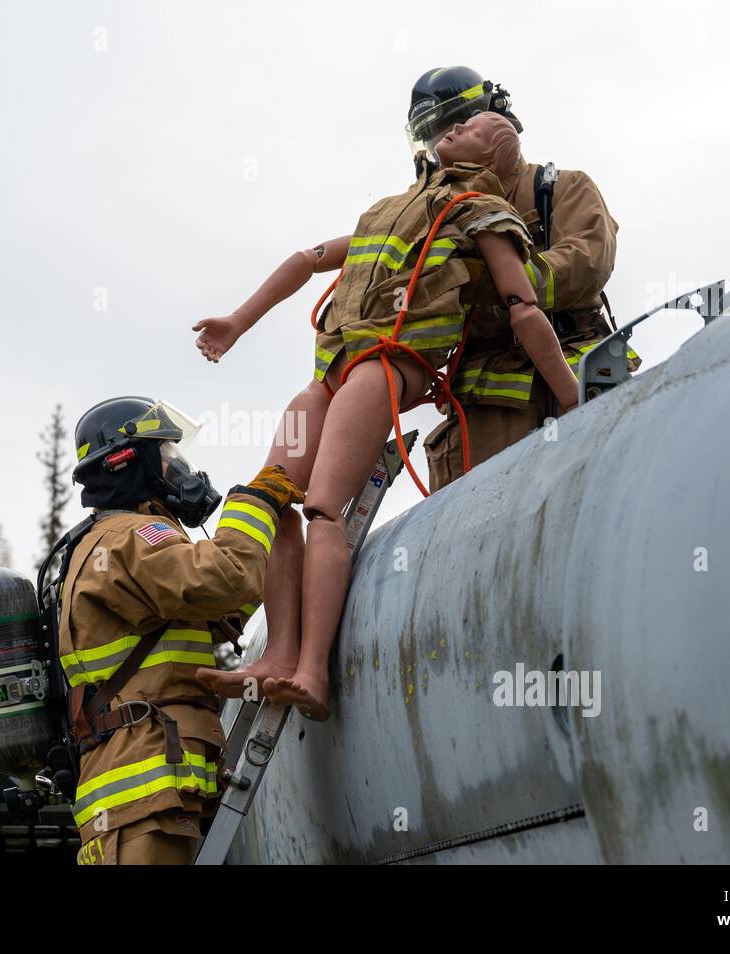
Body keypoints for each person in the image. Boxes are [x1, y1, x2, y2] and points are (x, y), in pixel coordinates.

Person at [192, 114, 579, 721]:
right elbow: (308, 259)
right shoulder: (388, 211)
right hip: (331, 372)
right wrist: (237, 322)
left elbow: (524, 309)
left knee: (323, 509)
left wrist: (573, 400)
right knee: (269, 499)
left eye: (477, 128)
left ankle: (312, 670)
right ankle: (278, 655)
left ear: (497, 153)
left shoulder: (483, 213)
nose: (457, 129)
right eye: (457, 125)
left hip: (385, 363)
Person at [62, 396, 303, 864]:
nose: (181, 470)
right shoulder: (129, 537)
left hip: (140, 788)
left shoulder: (112, 542)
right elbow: (219, 579)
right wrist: (255, 505)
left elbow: (220, 609)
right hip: (144, 784)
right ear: (127, 463)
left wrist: (273, 555)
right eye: (167, 456)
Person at [401, 66, 637, 488]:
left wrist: (500, 282)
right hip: (485, 416)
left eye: (451, 123)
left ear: (494, 118)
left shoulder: (560, 187)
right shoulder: (433, 219)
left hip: (575, 381)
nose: (441, 141)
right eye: (431, 133)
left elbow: (588, 261)